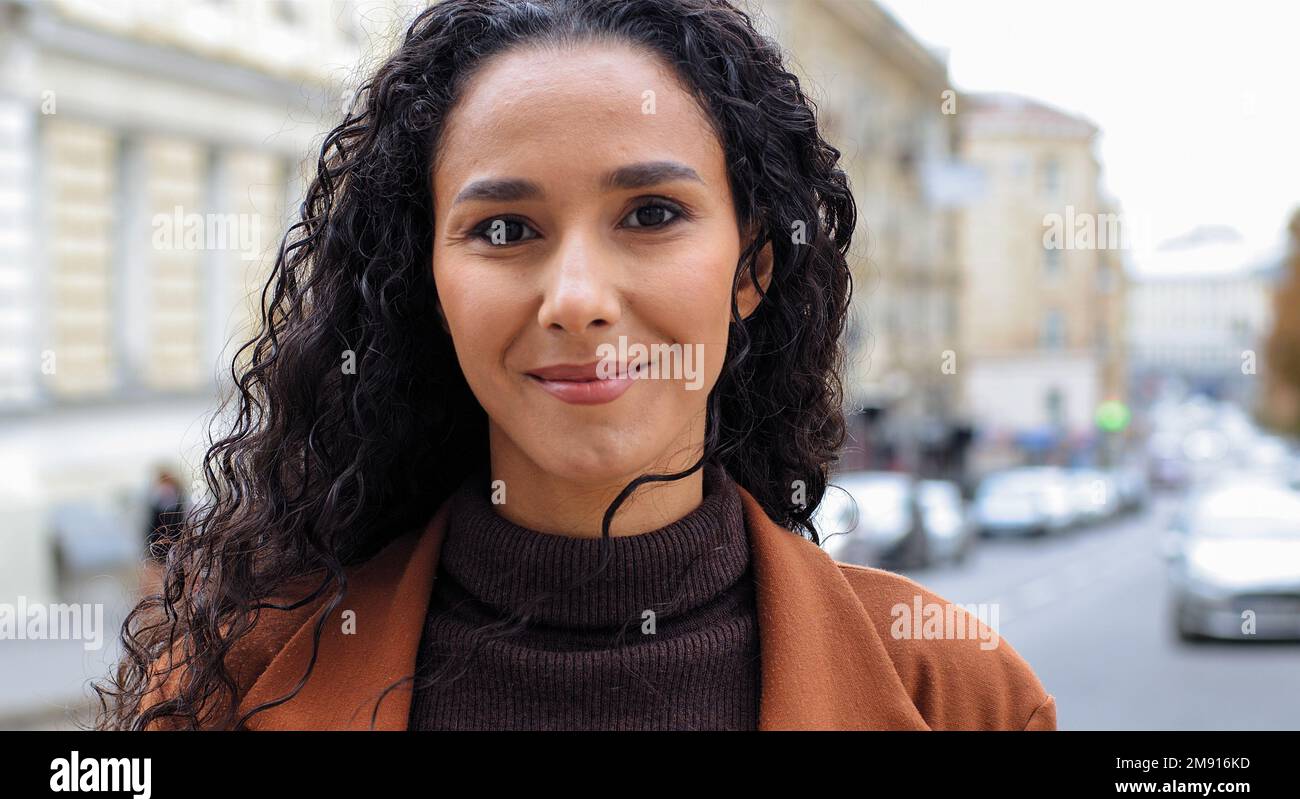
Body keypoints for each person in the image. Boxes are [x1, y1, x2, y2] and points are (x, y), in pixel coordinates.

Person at [95, 0, 1055, 731]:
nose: (578, 297)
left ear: (752, 266)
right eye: (505, 229)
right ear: (426, 280)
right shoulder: (234, 680)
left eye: (651, 215)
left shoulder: (960, 695)